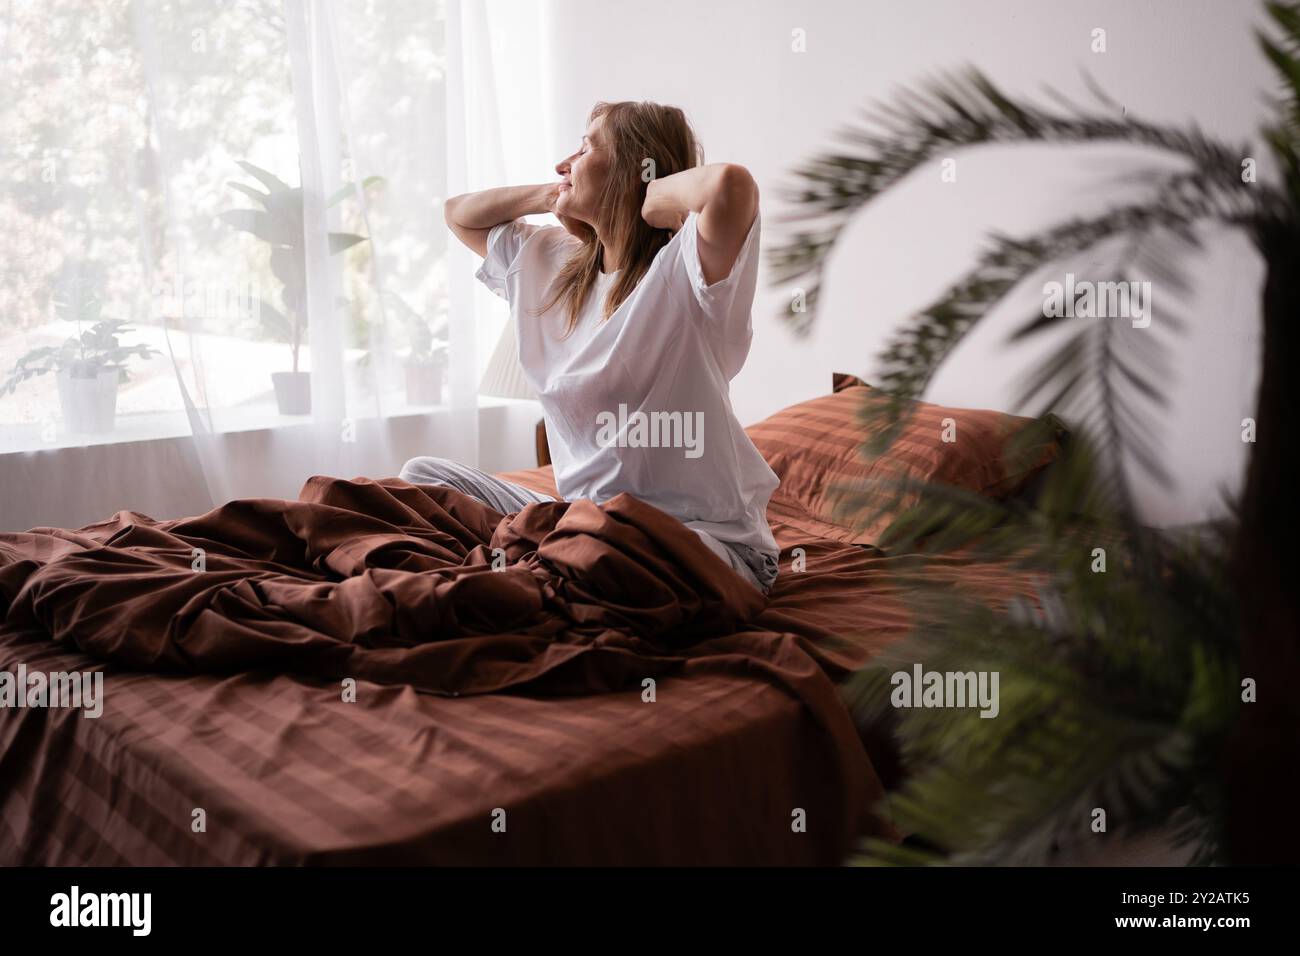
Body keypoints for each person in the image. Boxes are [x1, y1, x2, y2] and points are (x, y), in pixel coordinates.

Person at [400, 100, 779, 593]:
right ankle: (553, 560)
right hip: (581, 524)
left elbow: (732, 185)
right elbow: (459, 214)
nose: (565, 162)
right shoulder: (552, 260)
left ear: (632, 168)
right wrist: (553, 194)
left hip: (702, 543)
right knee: (422, 475)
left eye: (585, 148)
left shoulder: (690, 272)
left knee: (607, 543)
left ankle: (548, 567)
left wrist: (654, 194)